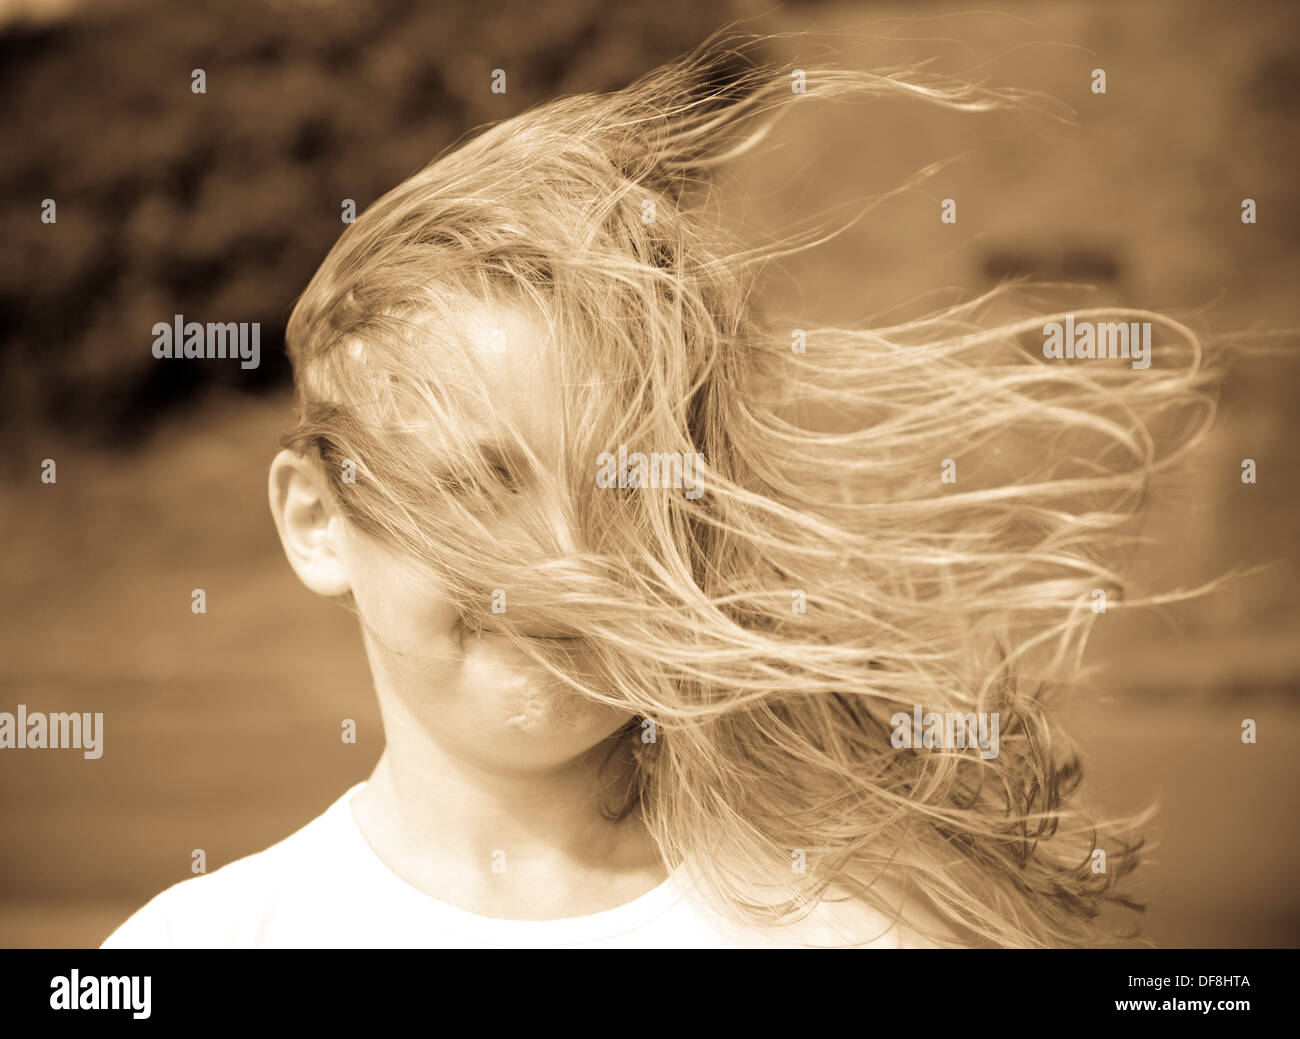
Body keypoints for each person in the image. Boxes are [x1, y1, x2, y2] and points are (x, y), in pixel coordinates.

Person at [103, 29, 1216, 949]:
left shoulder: (860, 932)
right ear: (315, 521)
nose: (555, 559)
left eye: (613, 485)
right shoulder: (196, 942)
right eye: (476, 484)